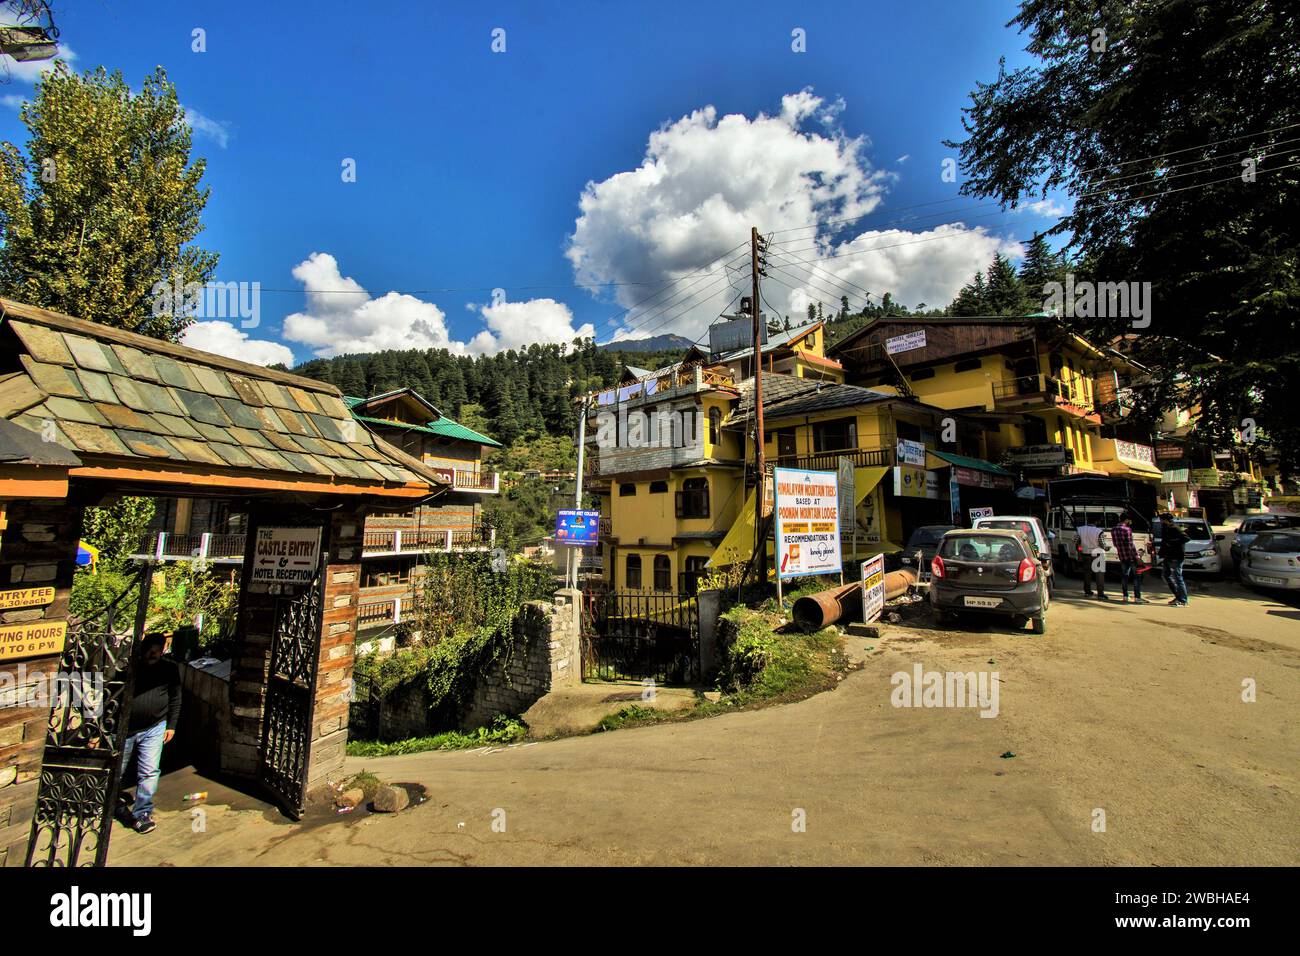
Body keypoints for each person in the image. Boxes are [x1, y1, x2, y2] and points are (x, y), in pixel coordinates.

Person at [120, 633, 181, 834]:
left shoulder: (169, 669)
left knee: (149, 770)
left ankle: (142, 813)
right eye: (150, 650)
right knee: (117, 769)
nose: (153, 654)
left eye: (157, 650)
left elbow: (175, 698)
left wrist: (171, 725)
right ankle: (105, 800)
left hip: (155, 727)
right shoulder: (130, 669)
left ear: (163, 650)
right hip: (125, 729)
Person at [1158, 512, 1190, 607]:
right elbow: (1165, 542)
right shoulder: (1165, 528)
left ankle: (1183, 600)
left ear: (1166, 520)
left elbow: (1186, 538)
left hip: (1177, 556)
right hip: (1168, 555)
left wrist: (1172, 543)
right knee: (1166, 575)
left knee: (1178, 577)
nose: (1161, 521)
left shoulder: (1174, 528)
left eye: (1162, 520)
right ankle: (1178, 596)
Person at [1111, 515, 1146, 604]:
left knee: (1124, 576)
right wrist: (1137, 557)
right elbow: (1130, 545)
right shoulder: (1127, 529)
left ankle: (1125, 596)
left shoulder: (1114, 529)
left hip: (1122, 556)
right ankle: (1137, 597)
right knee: (1136, 577)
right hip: (1131, 556)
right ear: (1126, 520)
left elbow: (1115, 544)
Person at [1076, 521, 1109, 599]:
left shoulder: (1080, 529)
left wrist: (1080, 550)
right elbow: (1103, 545)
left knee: (1087, 573)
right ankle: (1100, 594)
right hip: (1097, 554)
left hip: (1085, 554)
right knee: (1099, 575)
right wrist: (1107, 548)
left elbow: (1076, 541)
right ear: (1095, 524)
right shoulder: (1099, 531)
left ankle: (1087, 592)